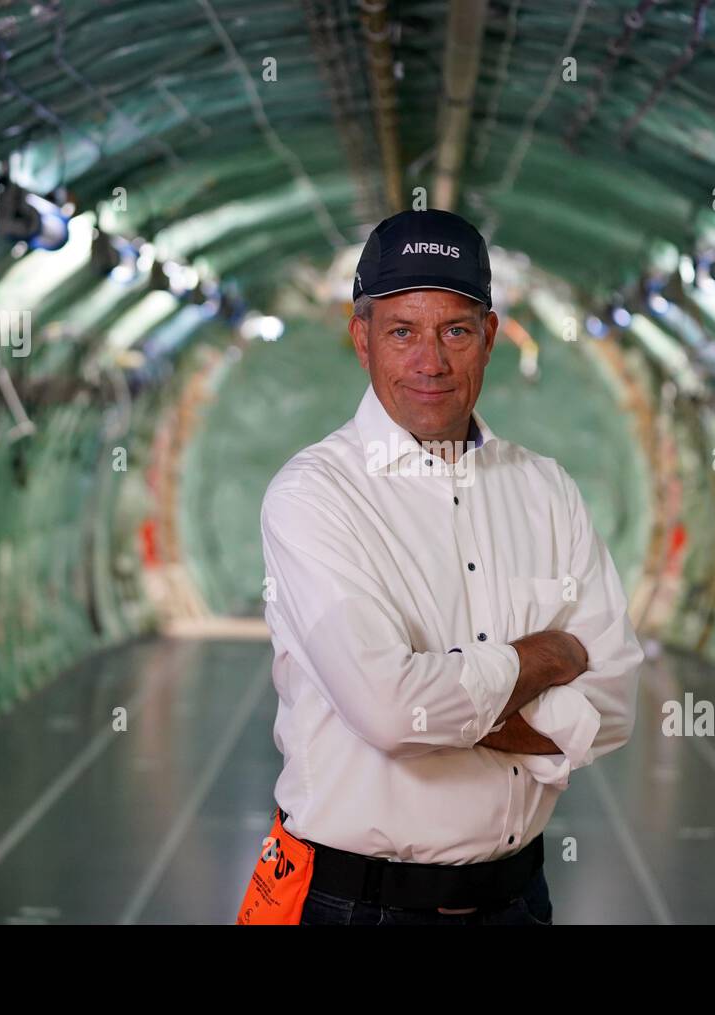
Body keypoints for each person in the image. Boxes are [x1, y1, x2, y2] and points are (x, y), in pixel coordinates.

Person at [254, 208, 641, 925]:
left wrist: (448, 694)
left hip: (517, 901)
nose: (430, 362)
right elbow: (391, 709)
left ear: (489, 337)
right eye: (402, 331)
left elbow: (614, 703)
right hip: (359, 906)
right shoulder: (313, 495)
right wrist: (546, 657)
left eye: (455, 330)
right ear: (362, 339)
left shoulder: (546, 489)